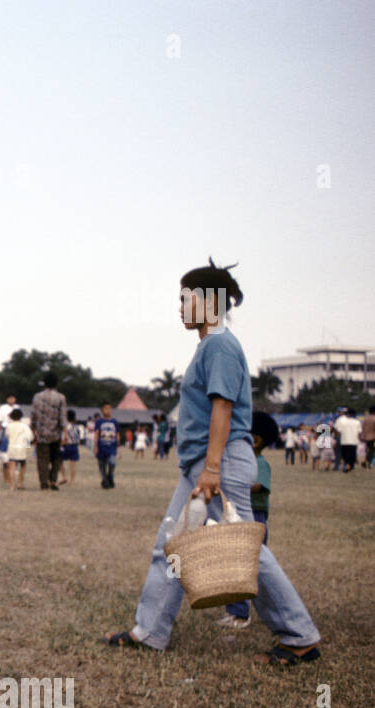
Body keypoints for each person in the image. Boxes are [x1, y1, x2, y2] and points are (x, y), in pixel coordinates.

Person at [104, 259, 321, 666]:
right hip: (202, 463)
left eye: (185, 298)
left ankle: (299, 636)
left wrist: (212, 468)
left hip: (218, 461)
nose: (180, 307)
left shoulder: (220, 344)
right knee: (170, 545)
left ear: (208, 300)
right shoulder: (210, 345)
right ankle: (149, 631)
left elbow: (223, 407)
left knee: (247, 548)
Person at [219, 411, 279, 630]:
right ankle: (237, 612)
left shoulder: (259, 463)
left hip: (255, 518)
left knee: (250, 567)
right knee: (236, 566)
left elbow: (258, 485)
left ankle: (245, 613)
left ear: (254, 440)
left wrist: (235, 483)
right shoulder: (244, 461)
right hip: (239, 516)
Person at [30, 373, 66, 490]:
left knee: (42, 459)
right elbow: (63, 417)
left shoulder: (37, 396)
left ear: (44, 383)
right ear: (56, 384)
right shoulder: (61, 397)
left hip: (41, 434)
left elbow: (33, 415)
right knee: (56, 459)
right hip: (55, 433)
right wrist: (65, 433)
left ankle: (43, 482)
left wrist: (33, 430)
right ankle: (53, 480)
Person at [4, 407, 33, 491]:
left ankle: (12, 485)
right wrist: (27, 447)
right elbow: (29, 437)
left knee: (12, 466)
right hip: (21, 448)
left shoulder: (9, 426)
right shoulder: (24, 426)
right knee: (23, 466)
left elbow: (7, 436)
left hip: (12, 447)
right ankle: (20, 482)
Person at [93, 403, 120, 488]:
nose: (108, 410)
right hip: (101, 447)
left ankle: (110, 476)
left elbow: (117, 434)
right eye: (105, 408)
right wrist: (95, 446)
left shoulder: (114, 422)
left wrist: (118, 446)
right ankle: (105, 481)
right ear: (102, 410)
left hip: (112, 446)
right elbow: (96, 433)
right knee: (102, 466)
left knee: (112, 462)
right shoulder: (99, 421)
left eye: (109, 408)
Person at [0, 393, 16, 485]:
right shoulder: (3, 408)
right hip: (5, 431)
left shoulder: (17, 407)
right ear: (7, 399)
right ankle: (5, 477)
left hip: (15, 432)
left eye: (13, 398)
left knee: (13, 456)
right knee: (4, 456)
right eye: (9, 398)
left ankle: (11, 476)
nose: (11, 400)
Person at [333, 406, 361, 473]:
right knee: (351, 454)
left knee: (341, 454)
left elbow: (337, 430)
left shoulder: (340, 419)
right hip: (353, 440)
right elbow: (359, 432)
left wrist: (336, 438)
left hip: (343, 439)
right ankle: (349, 466)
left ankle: (340, 466)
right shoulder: (356, 421)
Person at [59, 408, 81, 486]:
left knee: (59, 461)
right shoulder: (77, 426)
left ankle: (64, 476)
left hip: (66, 446)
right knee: (72, 466)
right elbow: (79, 438)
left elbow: (65, 438)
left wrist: (60, 444)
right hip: (75, 446)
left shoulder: (65, 426)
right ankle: (71, 481)